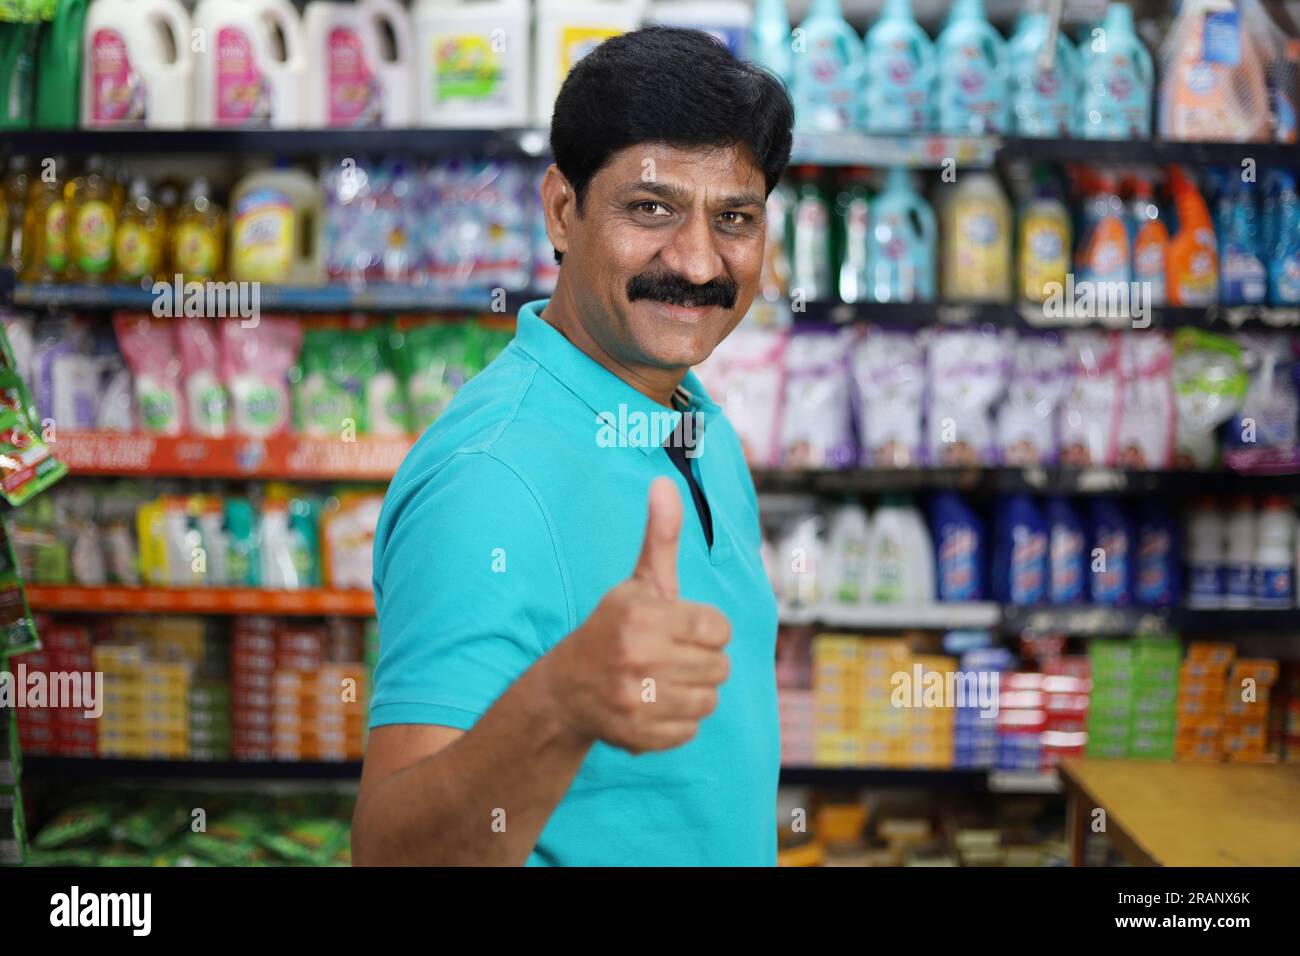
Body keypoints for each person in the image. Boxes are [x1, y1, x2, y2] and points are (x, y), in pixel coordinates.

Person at [352, 27, 795, 866]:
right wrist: (559, 704)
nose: (699, 263)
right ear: (564, 211)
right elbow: (389, 854)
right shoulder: (487, 480)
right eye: (651, 209)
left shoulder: (695, 418)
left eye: (733, 218)